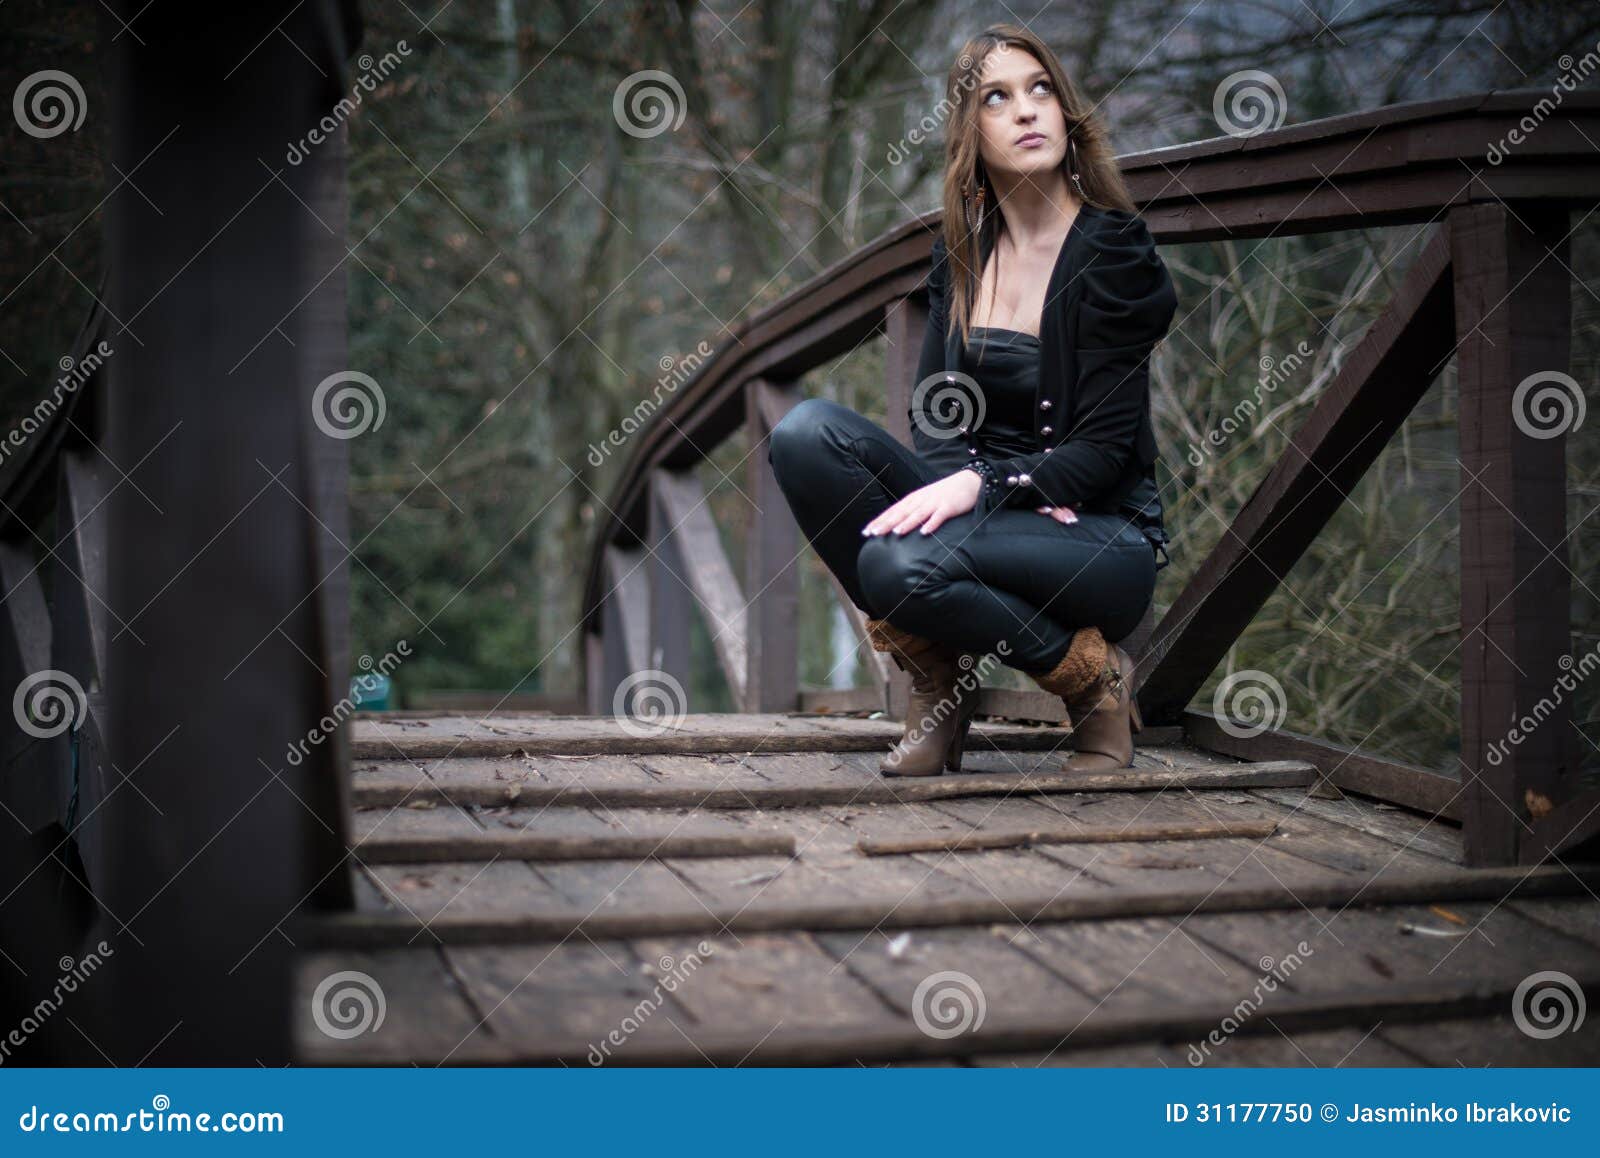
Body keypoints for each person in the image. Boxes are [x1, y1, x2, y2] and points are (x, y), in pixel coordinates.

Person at [768, 23, 1177, 777]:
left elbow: (1101, 450)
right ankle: (940, 682)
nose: (1027, 111)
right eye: (998, 97)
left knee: (894, 567)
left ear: (1064, 111)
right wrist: (976, 486)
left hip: (1097, 540)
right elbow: (941, 422)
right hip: (995, 520)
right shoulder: (962, 254)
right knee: (801, 435)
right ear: (970, 133)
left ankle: (1092, 679)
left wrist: (999, 484)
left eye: (1040, 89)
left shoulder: (1115, 254)